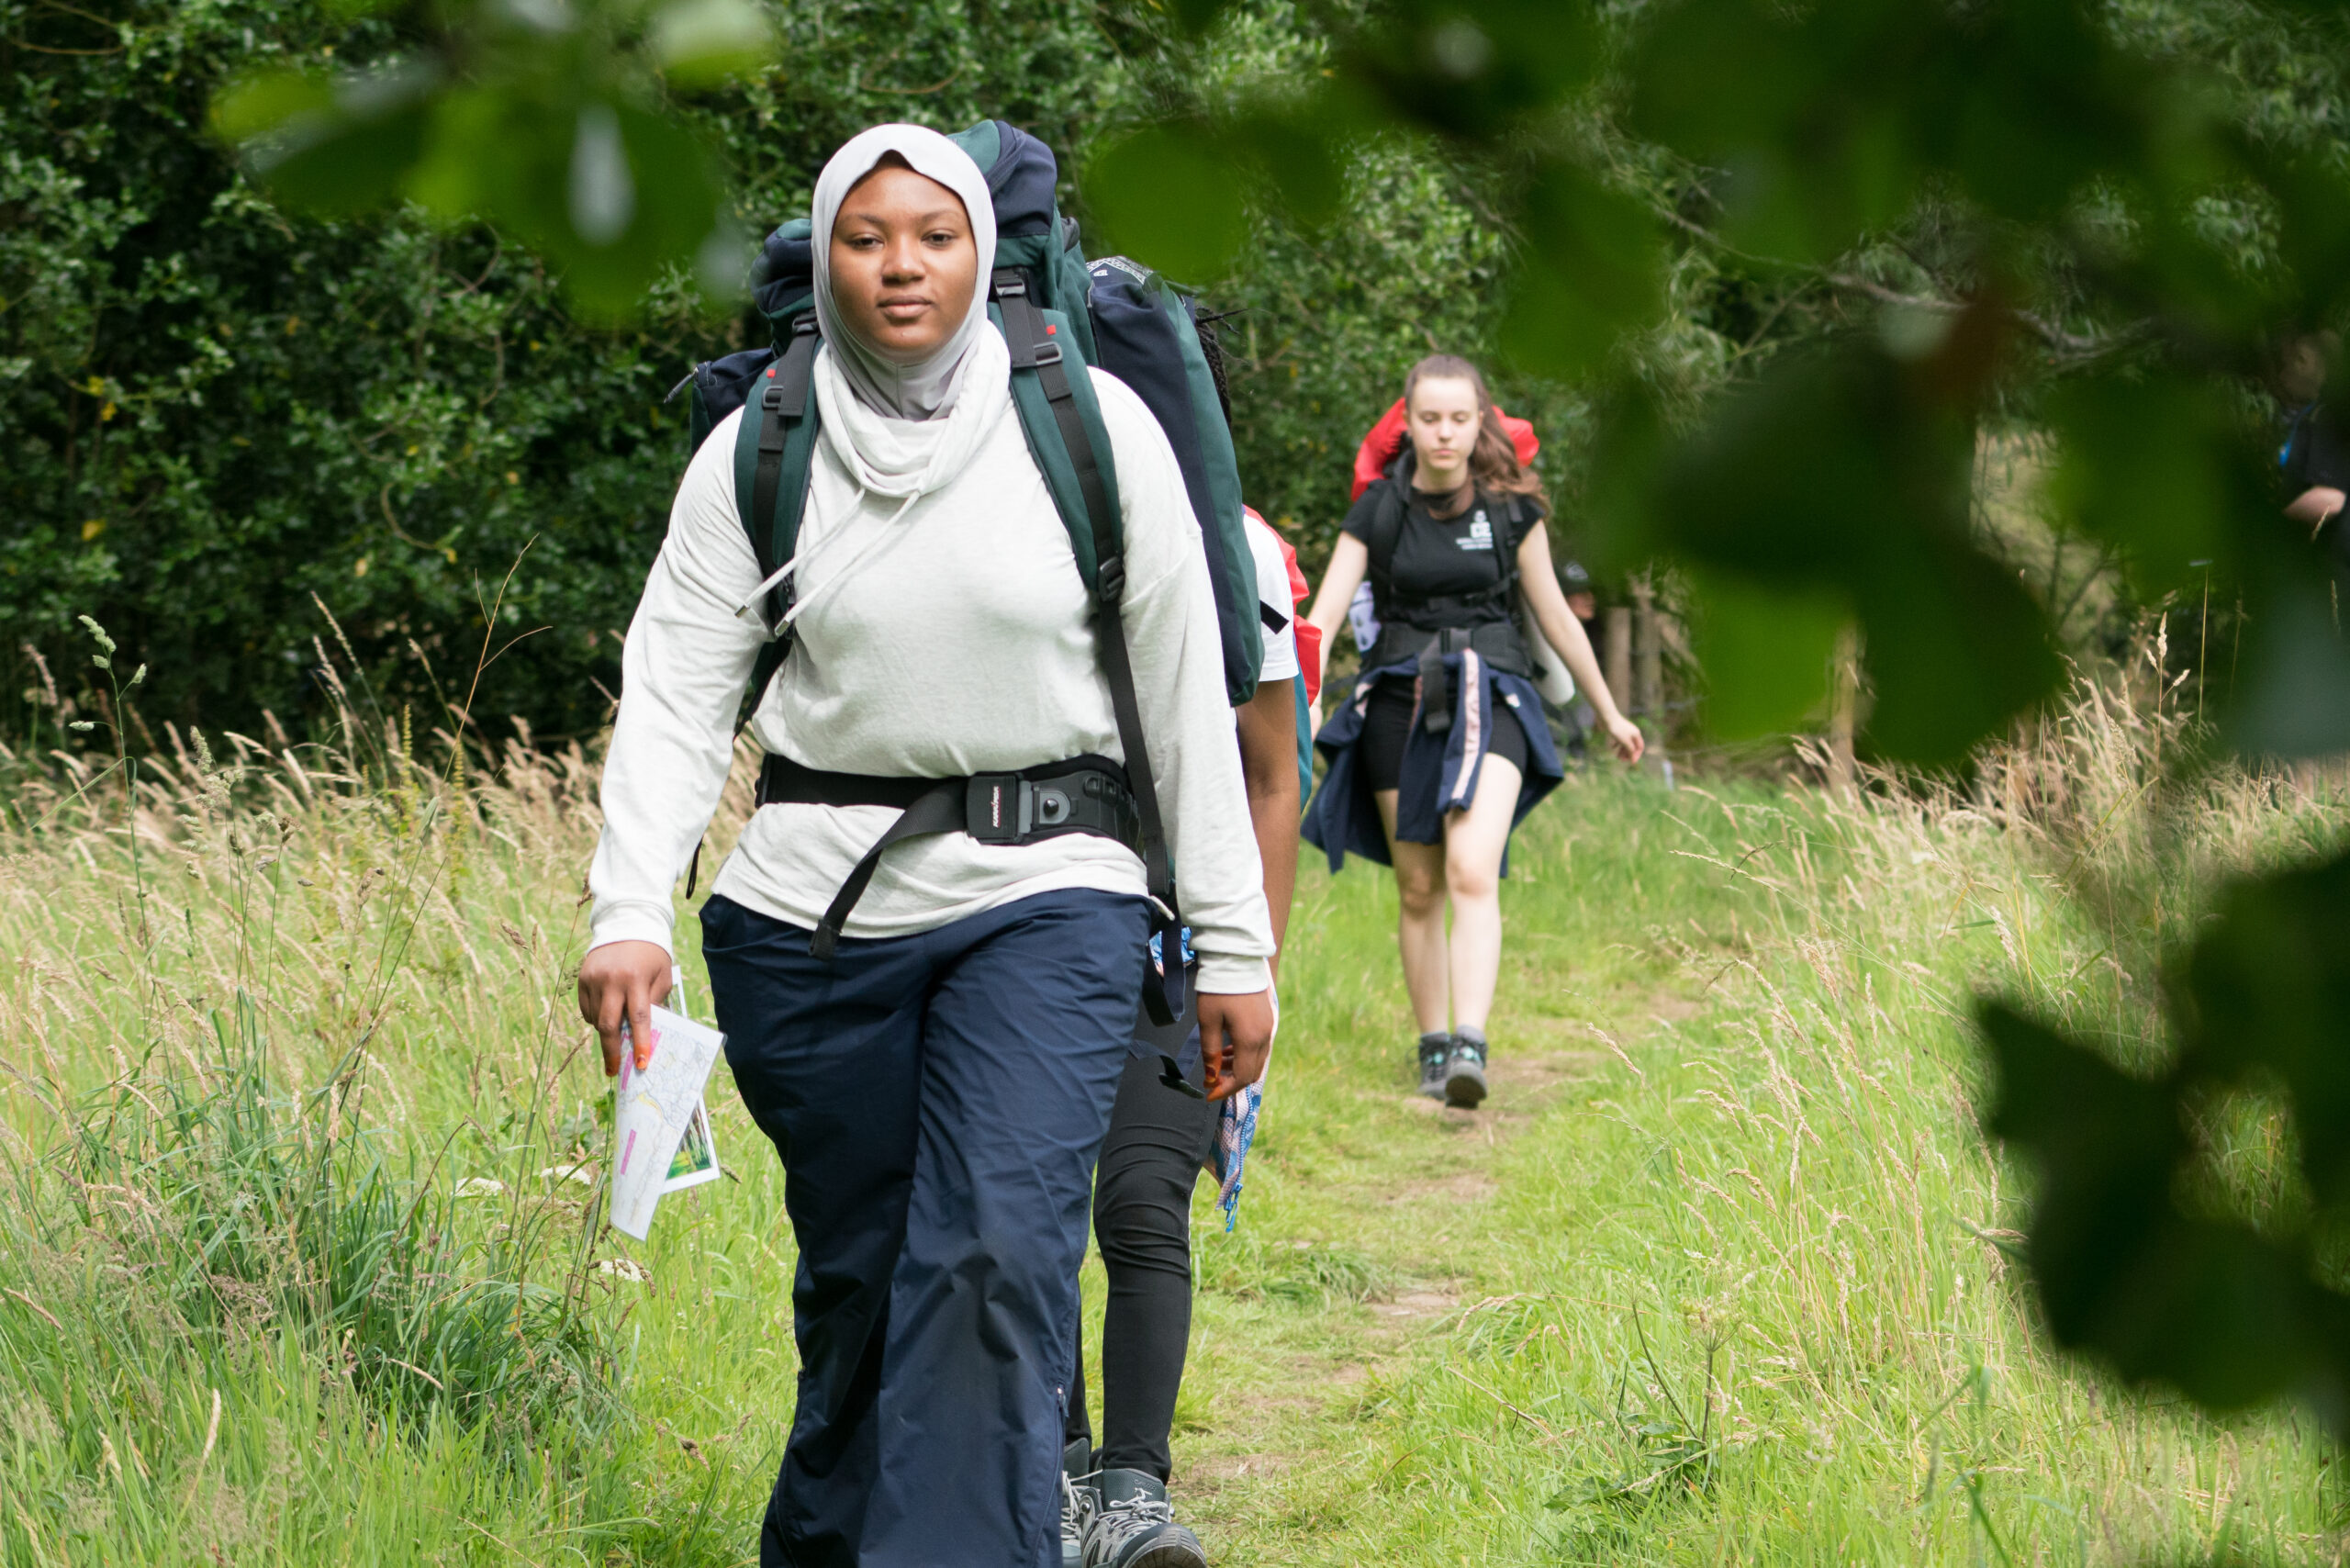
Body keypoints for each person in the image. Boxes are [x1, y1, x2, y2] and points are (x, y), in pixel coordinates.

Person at [576, 125, 1276, 1568]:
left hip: (1052, 897)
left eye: (935, 235)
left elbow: (1188, 705)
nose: (902, 264)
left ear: (983, 256)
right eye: (867, 236)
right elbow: (675, 696)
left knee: (993, 1260)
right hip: (806, 923)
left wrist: (1233, 940)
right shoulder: (756, 451)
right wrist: (626, 909)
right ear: (826, 257)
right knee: (867, 1284)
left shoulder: (1091, 428)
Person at [1060, 509, 1303, 1568]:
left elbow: (1271, 774)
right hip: (1038, 919)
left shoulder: (1235, 544)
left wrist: (1254, 964)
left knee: (1142, 1199)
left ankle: (1133, 1497)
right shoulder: (1011, 476)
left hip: (1183, 945)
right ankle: (1056, 1481)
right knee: (1036, 1208)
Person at [1302, 354, 1641, 1107]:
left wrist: (1610, 710)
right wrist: (1300, 693)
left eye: (1460, 418)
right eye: (1430, 418)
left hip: (1498, 695)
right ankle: (1432, 1048)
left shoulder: (1512, 512)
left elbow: (1555, 615)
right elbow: (1322, 619)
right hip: (1398, 700)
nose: (1445, 433)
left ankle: (1470, 1045)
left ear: (1481, 422)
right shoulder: (1377, 513)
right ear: (1408, 422)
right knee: (1419, 887)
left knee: (1470, 869)